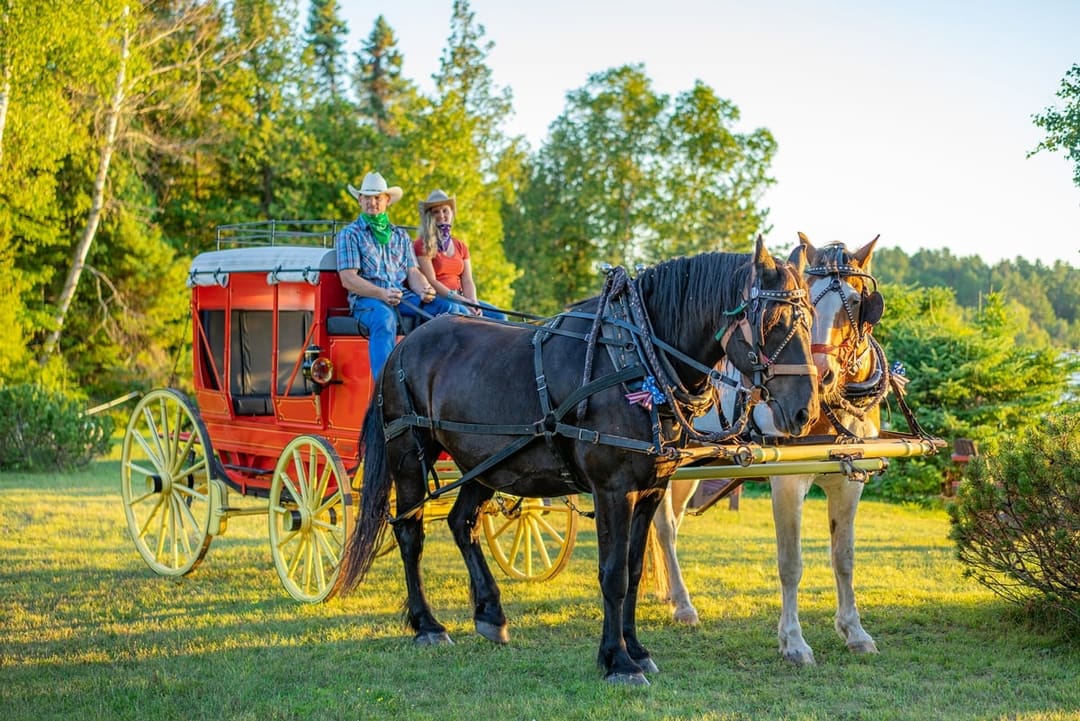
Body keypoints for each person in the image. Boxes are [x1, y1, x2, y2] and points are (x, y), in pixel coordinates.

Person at [336, 172, 464, 379]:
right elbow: (348, 279)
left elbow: (412, 271)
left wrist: (425, 289)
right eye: (367, 197)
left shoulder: (399, 235)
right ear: (360, 200)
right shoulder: (349, 235)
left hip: (401, 296)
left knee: (447, 308)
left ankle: (439, 375)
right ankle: (385, 386)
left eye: (377, 197)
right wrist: (382, 293)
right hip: (366, 301)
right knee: (384, 319)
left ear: (387, 200)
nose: (372, 202)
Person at [413, 189, 507, 321]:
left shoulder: (460, 246)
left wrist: (473, 301)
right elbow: (432, 282)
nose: (441, 215)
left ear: (452, 213)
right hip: (438, 299)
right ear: (429, 216)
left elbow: (467, 280)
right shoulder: (421, 244)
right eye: (436, 212)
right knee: (462, 312)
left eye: (445, 210)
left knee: (499, 316)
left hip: (461, 297)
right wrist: (462, 301)